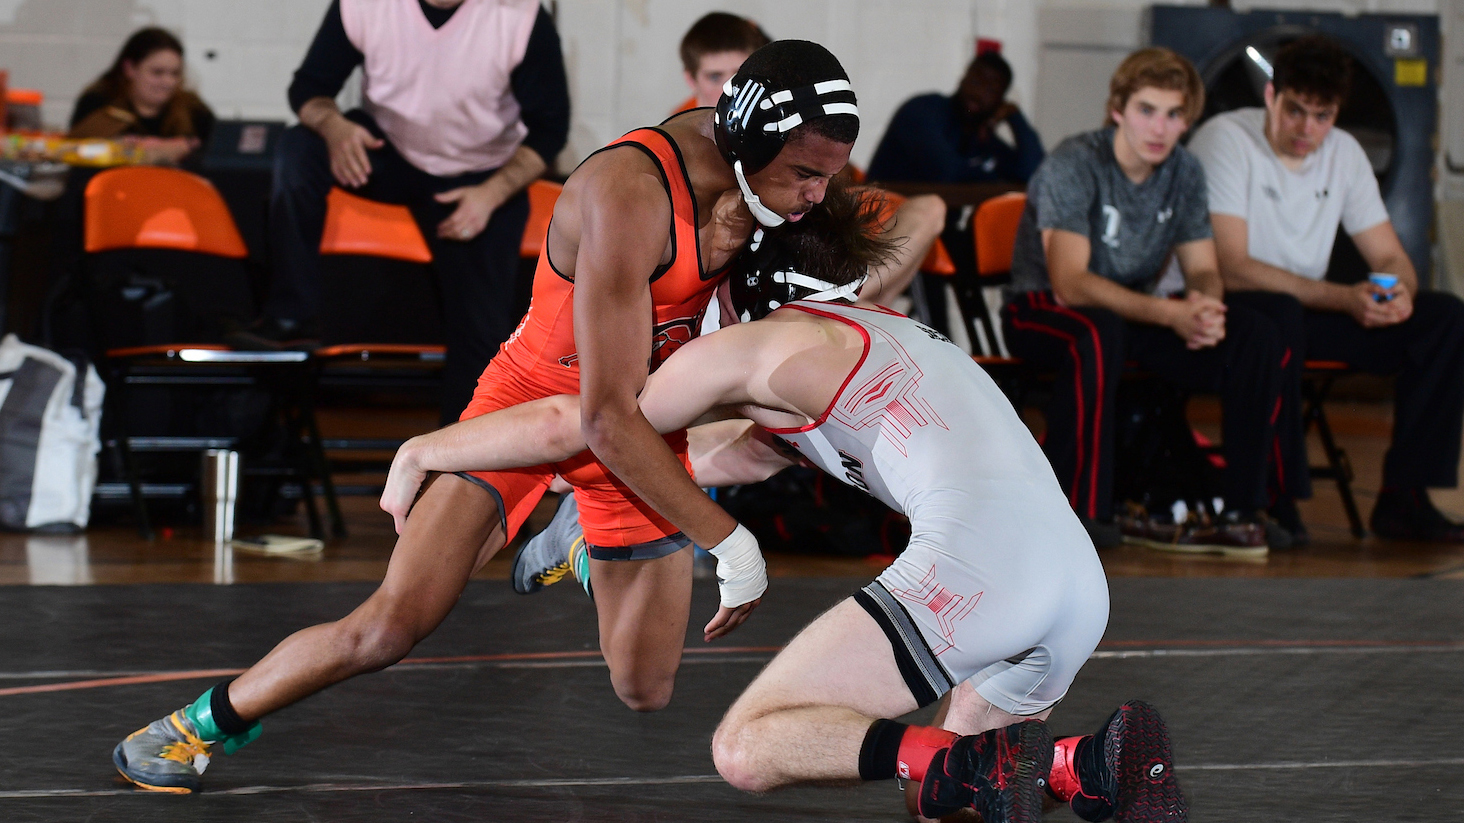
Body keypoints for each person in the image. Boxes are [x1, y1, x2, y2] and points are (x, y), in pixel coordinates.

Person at [111, 39, 863, 794]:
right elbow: (596, 418)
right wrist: (730, 541)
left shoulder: (776, 181)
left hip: (634, 415)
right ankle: (192, 726)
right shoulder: (631, 190)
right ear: (751, 145)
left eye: (826, 176)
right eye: (805, 175)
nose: (815, 195)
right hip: (537, 408)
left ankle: (574, 534)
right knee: (389, 626)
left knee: (646, 686)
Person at [376, 195, 1188, 823]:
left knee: (748, 746)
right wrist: (579, 494)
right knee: (943, 789)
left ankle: (1005, 763)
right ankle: (1093, 763)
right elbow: (732, 455)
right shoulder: (877, 331)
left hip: (984, 569)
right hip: (1077, 581)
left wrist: (430, 446)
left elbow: (586, 417)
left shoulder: (753, 342)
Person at [1002, 47, 1304, 554]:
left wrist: (1205, 308)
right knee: (1098, 332)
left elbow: (1204, 268)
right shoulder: (1077, 162)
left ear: (1187, 120)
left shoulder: (1184, 171)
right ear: (1118, 109)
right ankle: (1078, 511)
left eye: (1174, 114)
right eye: (1147, 110)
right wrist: (1171, 313)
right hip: (1043, 311)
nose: (1159, 128)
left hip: (1127, 314)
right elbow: (1070, 284)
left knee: (1255, 334)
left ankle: (1242, 510)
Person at [232, 0, 570, 424]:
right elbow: (308, 88)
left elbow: (551, 128)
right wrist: (333, 127)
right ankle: (291, 313)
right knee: (299, 148)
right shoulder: (365, 6)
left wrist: (492, 193)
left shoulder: (519, 18)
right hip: (387, 152)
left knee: (480, 339)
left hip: (480, 177)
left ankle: (456, 469)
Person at [1190, 35, 1464, 543]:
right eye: (1296, 111)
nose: (1307, 130)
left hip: (1309, 308)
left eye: (1323, 115)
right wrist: (1344, 298)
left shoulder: (1344, 152)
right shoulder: (1225, 139)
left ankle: (1406, 497)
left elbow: (1388, 255)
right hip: (1239, 311)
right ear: (1271, 96)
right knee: (1280, 315)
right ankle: (1277, 497)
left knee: (1443, 318)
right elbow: (1231, 266)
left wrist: (1396, 292)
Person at [669, 11, 944, 312]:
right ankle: (851, 303)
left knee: (930, 207)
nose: (728, 88)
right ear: (690, 79)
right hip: (754, 290)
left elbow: (838, 187)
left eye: (737, 74)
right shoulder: (681, 145)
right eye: (714, 76)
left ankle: (852, 299)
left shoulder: (787, 122)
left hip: (818, 244)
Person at [866, 48, 1044, 186]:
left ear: (1000, 101)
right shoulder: (923, 111)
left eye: (991, 90)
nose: (978, 93)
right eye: (976, 81)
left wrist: (1015, 116)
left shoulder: (979, 136)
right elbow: (947, 171)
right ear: (963, 79)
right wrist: (990, 174)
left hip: (937, 229)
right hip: (882, 224)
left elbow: (1034, 175)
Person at [68, 27, 215, 166]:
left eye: (175, 74)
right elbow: (76, 154)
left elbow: (216, 156)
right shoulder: (98, 103)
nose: (168, 82)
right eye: (157, 72)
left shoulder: (193, 109)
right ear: (130, 68)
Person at [674, 11, 771, 113]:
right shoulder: (674, 127)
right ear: (691, 80)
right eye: (715, 77)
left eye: (741, 76)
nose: (731, 90)